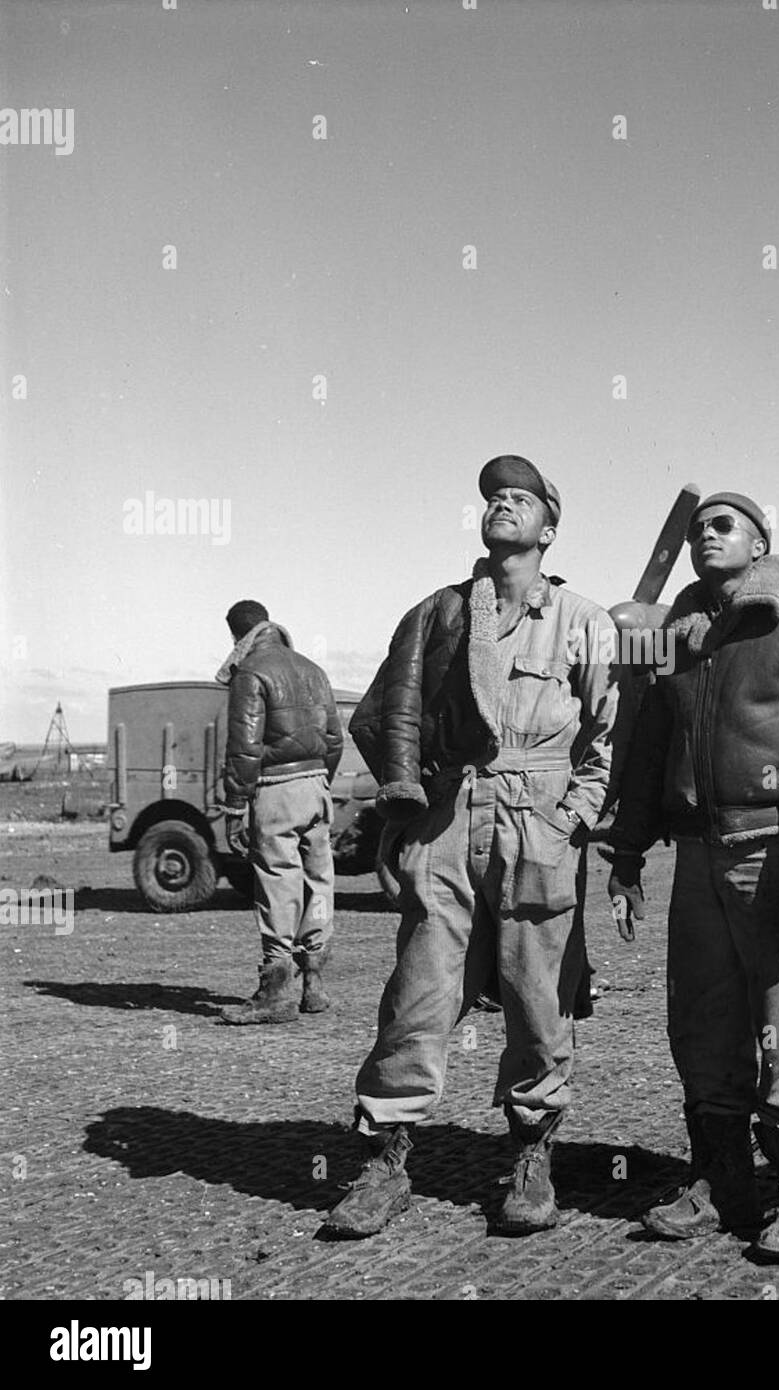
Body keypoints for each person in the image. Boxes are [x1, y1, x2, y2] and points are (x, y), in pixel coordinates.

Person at [323, 456, 619, 1239]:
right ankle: (384, 1162)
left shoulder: (584, 621)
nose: (504, 505)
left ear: (549, 530)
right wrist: (409, 803)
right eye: (494, 497)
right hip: (450, 819)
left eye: (522, 499)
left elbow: (610, 738)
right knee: (419, 992)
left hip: (539, 819)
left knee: (536, 996)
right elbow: (385, 716)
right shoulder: (440, 614)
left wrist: (572, 820)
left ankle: (530, 1158)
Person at [607, 492, 779, 1261]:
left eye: (723, 526)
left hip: (775, 853)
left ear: (760, 544)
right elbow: (648, 749)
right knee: (701, 1026)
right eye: (695, 529)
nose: (704, 536)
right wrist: (626, 854)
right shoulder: (675, 643)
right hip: (694, 859)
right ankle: (720, 1184)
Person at [217, 600, 343, 1025]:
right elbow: (334, 739)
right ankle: (314, 984)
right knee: (319, 880)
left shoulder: (251, 672)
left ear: (237, 635)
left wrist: (236, 804)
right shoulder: (312, 670)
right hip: (317, 786)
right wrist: (320, 782)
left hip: (276, 789)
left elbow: (244, 748)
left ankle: (275, 993)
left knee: (278, 883)